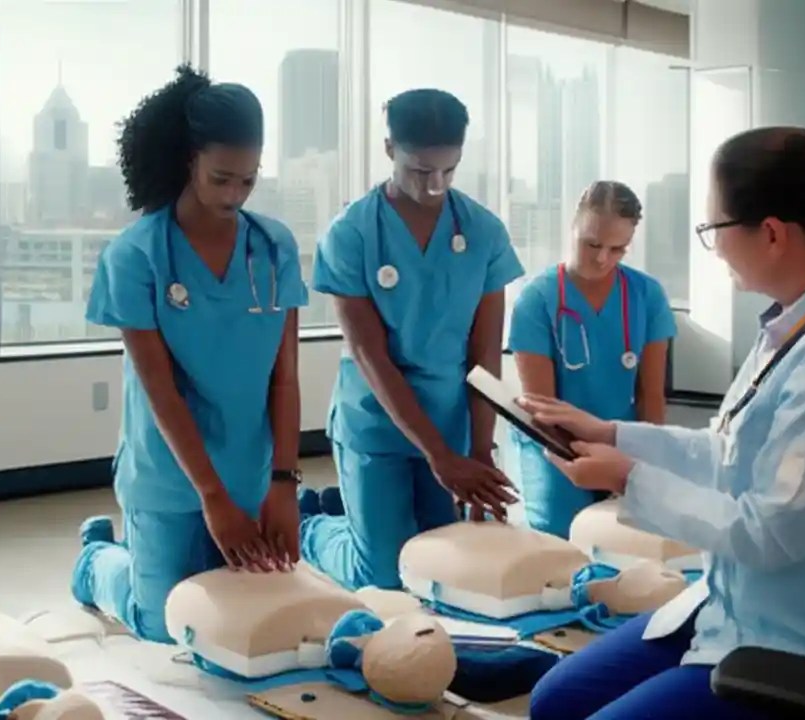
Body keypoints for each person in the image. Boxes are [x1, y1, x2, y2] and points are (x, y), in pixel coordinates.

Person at [524, 127, 805, 720]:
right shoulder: (798, 325)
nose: (711, 247)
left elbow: (771, 532)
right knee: (554, 701)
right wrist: (614, 434)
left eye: (713, 230)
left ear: (770, 233)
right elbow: (729, 451)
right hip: (734, 606)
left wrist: (631, 478)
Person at [72, 65, 309, 643]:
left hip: (251, 471)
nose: (233, 195)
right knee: (165, 625)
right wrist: (212, 497)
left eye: (247, 181)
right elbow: (159, 388)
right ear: (188, 161)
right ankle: (97, 564)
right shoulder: (137, 255)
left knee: (244, 618)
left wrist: (282, 483)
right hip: (170, 477)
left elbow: (285, 378)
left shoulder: (273, 246)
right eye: (220, 177)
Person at [298, 89, 524, 592]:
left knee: (444, 564)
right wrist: (438, 457)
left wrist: (479, 451)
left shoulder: (484, 232)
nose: (435, 185)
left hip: (452, 420)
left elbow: (484, 353)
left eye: (449, 170)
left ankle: (357, 515)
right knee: (382, 575)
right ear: (388, 150)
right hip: (376, 421)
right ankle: (311, 528)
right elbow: (370, 356)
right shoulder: (352, 234)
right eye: (421, 170)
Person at [507, 181, 676, 538]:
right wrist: (587, 463)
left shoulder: (647, 295)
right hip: (553, 447)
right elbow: (543, 408)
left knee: (630, 542)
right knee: (563, 547)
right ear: (574, 226)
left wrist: (646, 468)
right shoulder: (536, 300)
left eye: (618, 249)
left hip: (621, 440)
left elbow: (651, 396)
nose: (603, 259)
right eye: (592, 244)